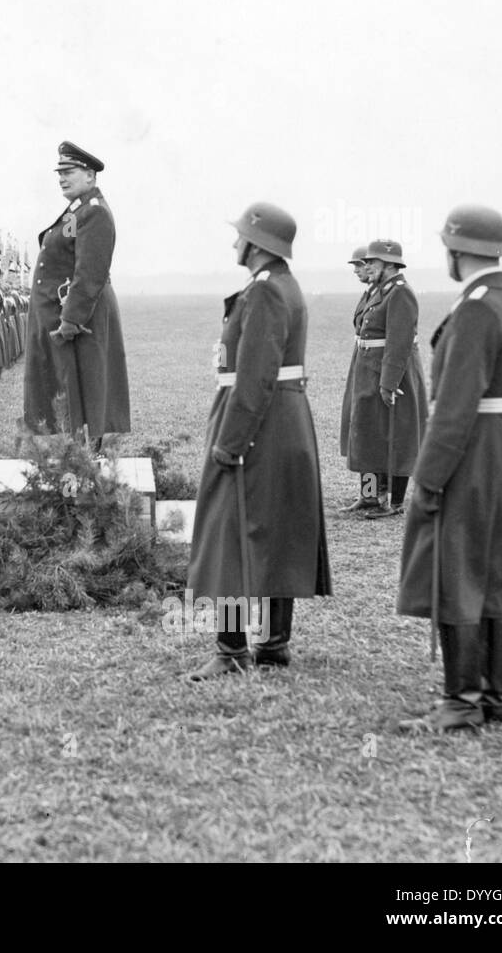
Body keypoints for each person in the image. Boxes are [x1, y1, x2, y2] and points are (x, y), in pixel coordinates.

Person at [397, 206, 502, 732]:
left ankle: (461, 701)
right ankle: (492, 697)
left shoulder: (476, 309)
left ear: (457, 249)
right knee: (497, 576)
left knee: (459, 569)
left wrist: (429, 477)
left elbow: (453, 408)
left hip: (473, 454)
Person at [186, 203, 332, 680]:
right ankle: (273, 643)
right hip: (283, 418)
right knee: (278, 532)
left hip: (258, 421)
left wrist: (230, 442)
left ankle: (231, 649)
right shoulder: (280, 286)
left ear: (257, 244)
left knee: (230, 531)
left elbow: (254, 376)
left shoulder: (267, 292)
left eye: (241, 236)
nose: (235, 243)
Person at [23, 141, 130, 450]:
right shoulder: (77, 211)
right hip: (67, 313)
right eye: (60, 172)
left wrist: (71, 319)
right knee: (69, 388)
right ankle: (76, 454)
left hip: (82, 316)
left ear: (90, 176)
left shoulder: (94, 213)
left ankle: (87, 458)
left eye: (69, 171)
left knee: (86, 385)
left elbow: (90, 271)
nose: (61, 178)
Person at [346, 239, 428, 519]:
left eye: (373, 262)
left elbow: (399, 342)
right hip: (368, 368)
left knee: (397, 436)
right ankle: (370, 496)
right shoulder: (379, 291)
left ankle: (393, 502)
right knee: (369, 435)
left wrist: (389, 383)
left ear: (390, 264)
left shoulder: (400, 293)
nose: (367, 266)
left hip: (393, 371)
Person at [338, 246, 380, 511]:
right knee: (363, 431)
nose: (355, 271)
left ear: (370, 265)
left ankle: (383, 497)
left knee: (373, 433)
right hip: (362, 363)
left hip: (375, 367)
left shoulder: (388, 294)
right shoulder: (370, 294)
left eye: (358, 265)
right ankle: (369, 495)